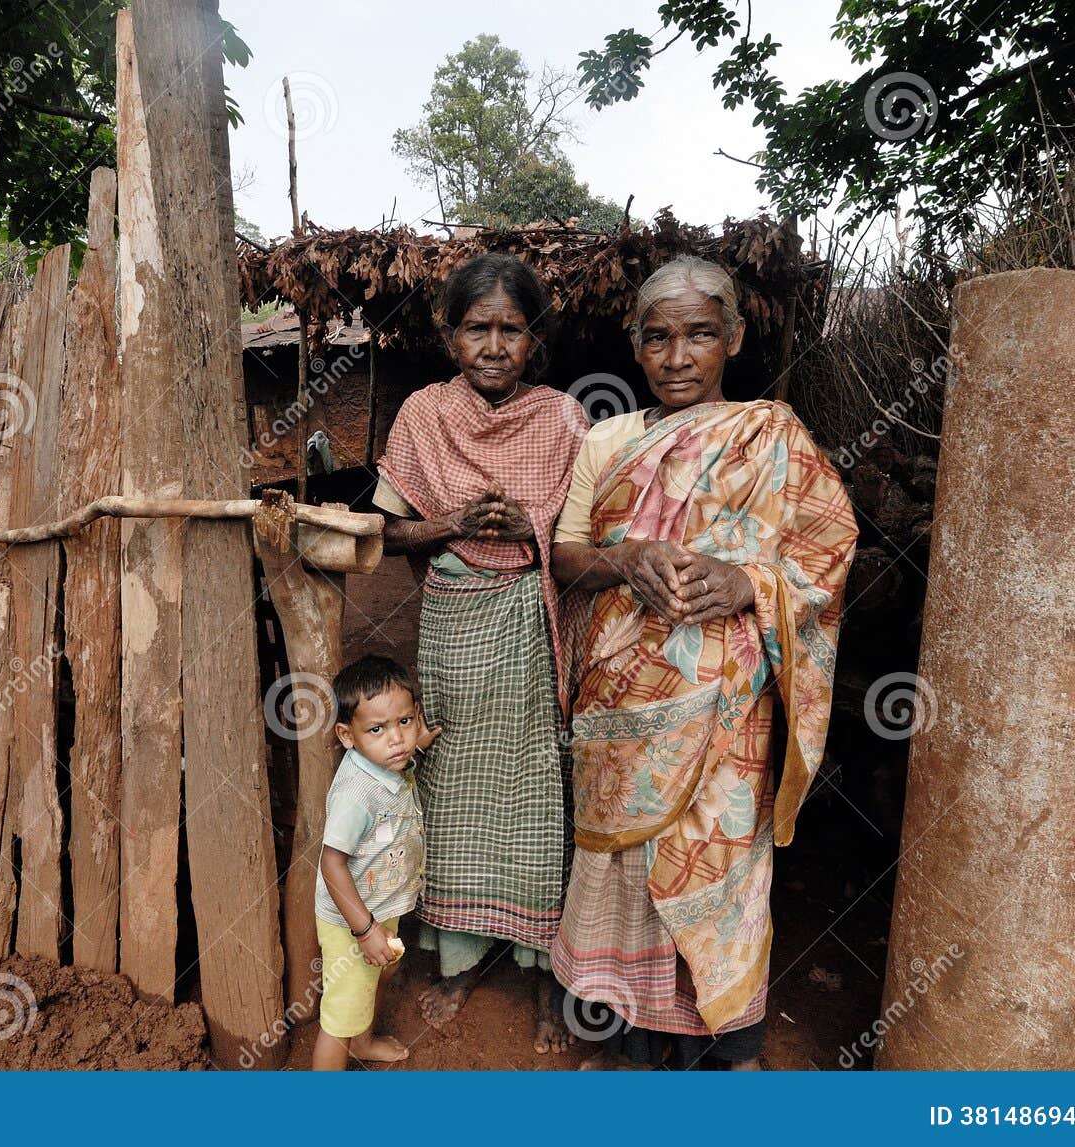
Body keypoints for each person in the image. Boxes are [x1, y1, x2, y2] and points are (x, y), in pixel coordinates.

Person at [550, 256, 858, 1069]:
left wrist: (746, 581)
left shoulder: (774, 435)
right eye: (658, 338)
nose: (677, 357)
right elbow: (565, 556)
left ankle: (729, 1041)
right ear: (636, 345)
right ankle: (626, 1029)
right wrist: (628, 560)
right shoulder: (609, 438)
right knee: (622, 862)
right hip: (620, 697)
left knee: (719, 856)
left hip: (728, 703)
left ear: (734, 337)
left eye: (698, 335)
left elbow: (828, 551)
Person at [373, 252, 587, 1053]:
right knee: (452, 781)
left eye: (511, 329)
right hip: (453, 628)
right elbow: (389, 533)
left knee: (536, 783)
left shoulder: (565, 419)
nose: (494, 344)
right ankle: (458, 960)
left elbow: (583, 539)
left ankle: (541, 973)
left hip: (531, 630)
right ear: (450, 334)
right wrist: (454, 522)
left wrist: (527, 529)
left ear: (534, 337)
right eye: (477, 328)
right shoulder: (425, 415)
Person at [311, 654, 438, 1071]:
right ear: (347, 735)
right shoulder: (356, 794)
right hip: (353, 918)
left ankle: (361, 1043)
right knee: (340, 1013)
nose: (396, 739)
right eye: (378, 729)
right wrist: (364, 930)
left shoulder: (390, 760)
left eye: (404, 722)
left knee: (375, 977)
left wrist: (418, 739)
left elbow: (400, 740)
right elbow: (331, 865)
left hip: (383, 904)